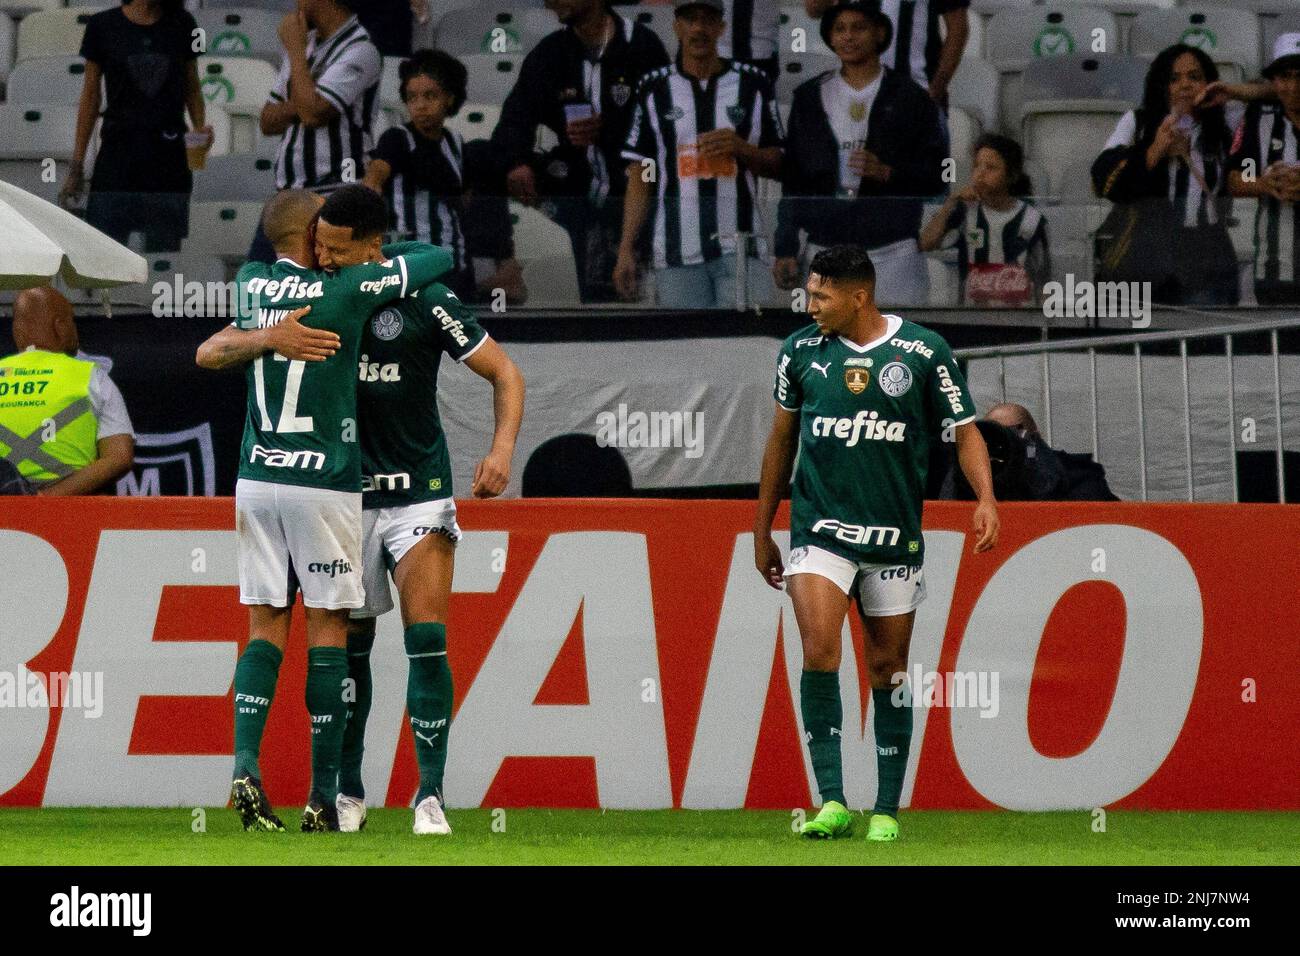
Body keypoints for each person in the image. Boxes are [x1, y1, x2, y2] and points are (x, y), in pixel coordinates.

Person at [195, 186, 453, 833]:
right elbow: (437, 258)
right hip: (325, 479)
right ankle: (322, 794)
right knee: (330, 630)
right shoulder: (349, 289)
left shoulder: (251, 285)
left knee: (263, 624)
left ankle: (244, 767)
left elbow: (208, 353)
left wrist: (269, 335)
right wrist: (372, 248)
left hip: (256, 478)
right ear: (314, 233)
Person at [752, 244, 998, 842]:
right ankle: (832, 802)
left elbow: (964, 432)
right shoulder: (800, 354)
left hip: (892, 537)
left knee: (887, 668)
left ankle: (886, 808)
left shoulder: (922, 351)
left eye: (822, 296)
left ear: (859, 296)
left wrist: (986, 497)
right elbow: (781, 443)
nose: (810, 305)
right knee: (819, 649)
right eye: (810, 294)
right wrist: (762, 529)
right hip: (819, 530)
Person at [328, 232, 525, 837]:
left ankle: (430, 795)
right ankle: (349, 791)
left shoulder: (426, 297)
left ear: (371, 244)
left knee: (428, 639)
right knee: (350, 649)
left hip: (419, 490)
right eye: (322, 248)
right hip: (347, 495)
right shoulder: (324, 296)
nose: (328, 258)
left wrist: (500, 450)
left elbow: (506, 375)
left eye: (338, 247)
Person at [491, 0, 669, 303]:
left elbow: (665, 126)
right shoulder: (551, 52)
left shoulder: (642, 46)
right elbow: (514, 120)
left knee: (632, 312)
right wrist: (516, 163)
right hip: (576, 190)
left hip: (635, 188)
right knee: (481, 157)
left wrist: (608, 131)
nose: (550, 3)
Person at [774, 2, 945, 306]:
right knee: (829, 350)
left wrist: (888, 172)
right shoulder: (809, 97)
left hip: (894, 252)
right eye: (839, 29)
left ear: (880, 33)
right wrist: (785, 247)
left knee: (898, 350)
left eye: (858, 28)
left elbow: (937, 175)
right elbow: (794, 179)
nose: (848, 37)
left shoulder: (911, 97)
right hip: (825, 250)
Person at [615, 0, 784, 307]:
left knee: (746, 348)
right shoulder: (652, 88)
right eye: (690, 20)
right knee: (687, 353)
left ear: (722, 27)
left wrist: (743, 150)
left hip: (742, 248)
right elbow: (641, 172)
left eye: (707, 20)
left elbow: (781, 164)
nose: (698, 28)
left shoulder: (754, 84)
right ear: (676, 26)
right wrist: (626, 248)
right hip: (676, 252)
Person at [363, 50, 525, 305]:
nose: (420, 105)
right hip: (412, 267)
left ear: (449, 98)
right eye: (412, 98)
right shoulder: (398, 138)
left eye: (430, 96)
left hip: (454, 264)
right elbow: (377, 173)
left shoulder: (455, 143)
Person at [1093, 44, 1241, 307]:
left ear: (1209, 83)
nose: (1185, 85)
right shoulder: (1137, 122)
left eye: (1195, 77)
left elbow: (1280, 97)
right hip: (1145, 252)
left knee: (1205, 337)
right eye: (1174, 79)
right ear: (1161, 84)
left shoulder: (1225, 123)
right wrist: (1155, 150)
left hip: (1207, 251)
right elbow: (1102, 177)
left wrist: (1230, 91)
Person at [61, 0, 212, 252]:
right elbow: (90, 98)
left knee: (163, 258)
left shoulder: (185, 24)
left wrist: (199, 132)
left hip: (168, 158)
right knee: (105, 253)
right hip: (118, 155)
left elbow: (193, 88)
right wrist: (77, 165)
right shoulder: (101, 26)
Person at [250, 0, 382, 263]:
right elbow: (267, 121)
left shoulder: (361, 50)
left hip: (334, 197)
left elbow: (313, 115)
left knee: (316, 297)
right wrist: (307, 98)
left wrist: (297, 54)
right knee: (257, 293)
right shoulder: (306, 43)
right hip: (288, 196)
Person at [0, 288, 134, 495]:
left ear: (18, 331)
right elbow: (119, 456)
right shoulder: (92, 376)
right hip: (70, 513)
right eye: (72, 321)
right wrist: (46, 499)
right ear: (60, 326)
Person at [920, 133, 1049, 307]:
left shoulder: (1032, 219)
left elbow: (1044, 278)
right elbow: (926, 243)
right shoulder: (965, 213)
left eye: (990, 167)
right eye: (977, 166)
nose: (980, 173)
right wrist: (951, 202)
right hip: (973, 319)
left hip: (1018, 320)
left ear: (1011, 175)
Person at [1229, 33, 1300, 306]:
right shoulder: (1260, 118)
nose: (1293, 86)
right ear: (1274, 81)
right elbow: (1239, 177)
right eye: (1285, 77)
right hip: (1274, 270)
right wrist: (1264, 184)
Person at [941, 403, 1119, 502]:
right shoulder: (975, 478)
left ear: (1034, 437)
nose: (999, 444)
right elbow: (948, 509)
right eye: (991, 435)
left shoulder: (1075, 474)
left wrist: (1034, 456)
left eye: (1014, 432)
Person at [804, 0, 969, 105]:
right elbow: (813, 8)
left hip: (916, 94)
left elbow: (958, 28)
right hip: (853, 96)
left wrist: (936, 89)